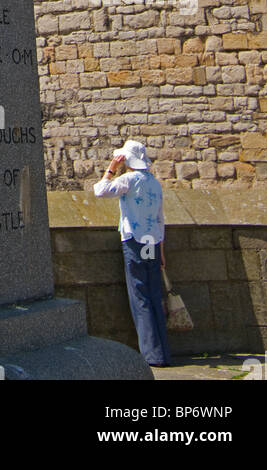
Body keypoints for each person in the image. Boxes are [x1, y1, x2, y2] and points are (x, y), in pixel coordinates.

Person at [94, 139, 171, 367]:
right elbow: (160, 219)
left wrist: (111, 169)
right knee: (154, 294)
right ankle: (163, 352)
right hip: (152, 243)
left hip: (135, 241)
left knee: (140, 297)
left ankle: (151, 355)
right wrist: (162, 250)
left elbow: (100, 190)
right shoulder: (154, 183)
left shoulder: (128, 180)